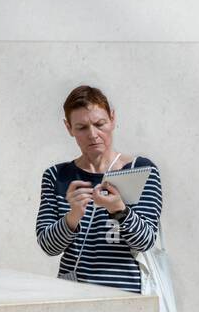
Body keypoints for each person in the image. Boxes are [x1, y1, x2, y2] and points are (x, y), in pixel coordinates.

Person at [35, 84, 162, 292]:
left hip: (126, 297)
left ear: (113, 119)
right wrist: (73, 216)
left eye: (99, 124)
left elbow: (145, 241)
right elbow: (48, 247)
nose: (93, 134)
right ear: (68, 128)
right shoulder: (57, 176)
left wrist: (119, 209)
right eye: (82, 128)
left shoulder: (141, 170)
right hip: (73, 297)